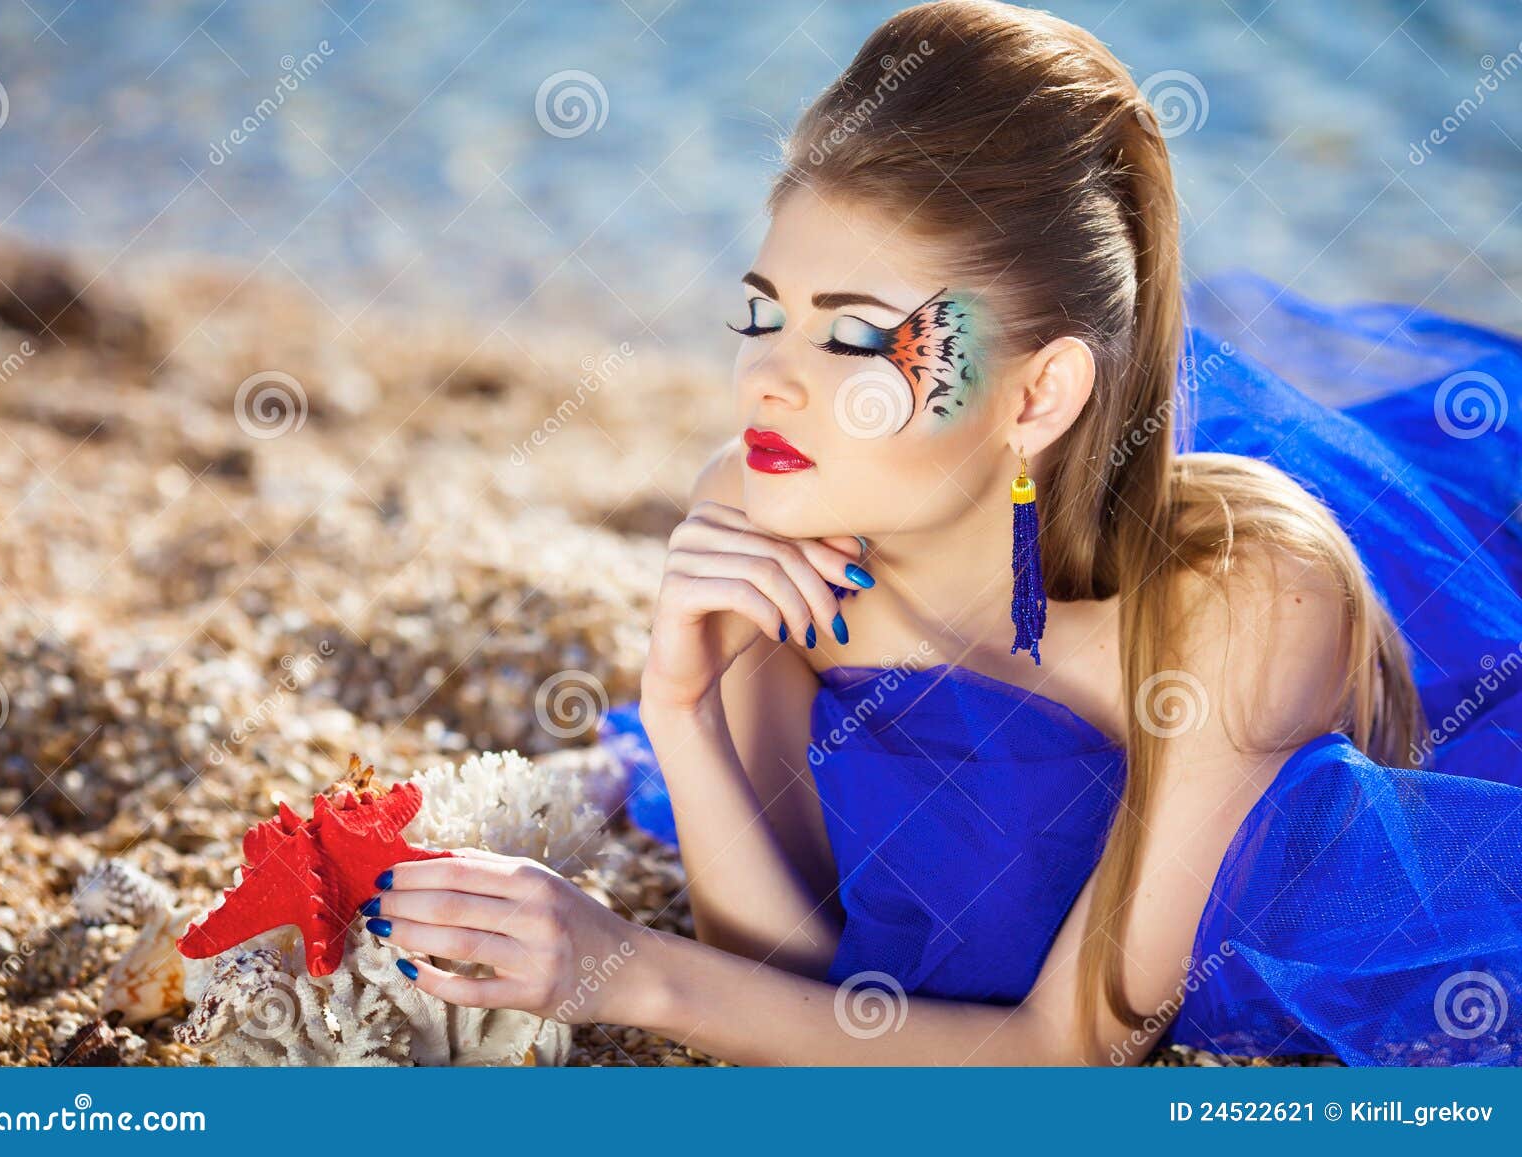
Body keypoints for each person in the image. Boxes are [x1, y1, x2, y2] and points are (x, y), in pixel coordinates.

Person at [370, 0, 1522, 1065]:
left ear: (1031, 397)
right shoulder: (771, 513)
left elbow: (1060, 1052)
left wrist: (624, 972)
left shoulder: (1240, 605)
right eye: (762, 313)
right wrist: (680, 713)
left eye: (857, 340)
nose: (768, 381)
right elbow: (797, 980)